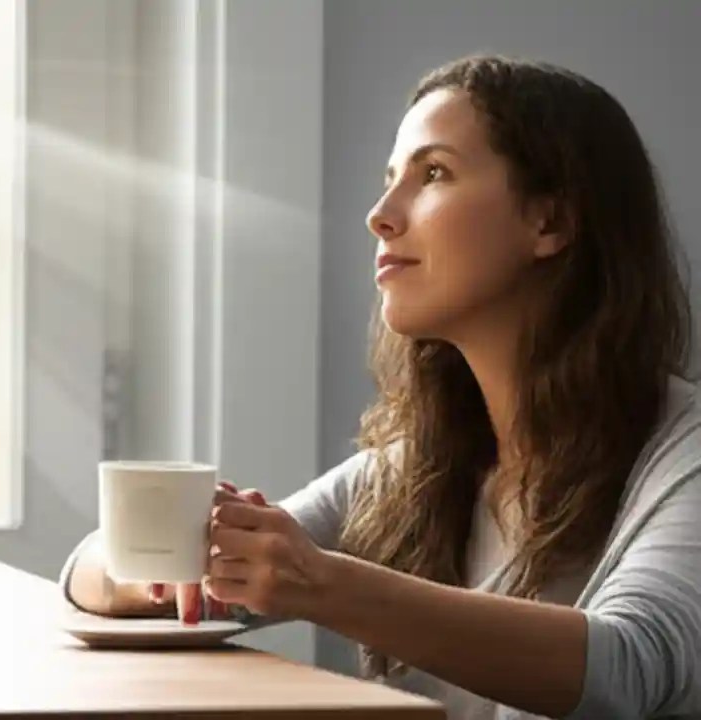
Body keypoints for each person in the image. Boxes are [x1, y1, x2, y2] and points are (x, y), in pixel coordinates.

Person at [60, 53, 701, 720]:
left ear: (550, 223)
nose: (381, 215)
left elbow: (629, 668)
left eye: (433, 174)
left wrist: (321, 582)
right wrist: (168, 559)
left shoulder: (683, 455)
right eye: (390, 179)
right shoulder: (413, 470)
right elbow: (83, 576)